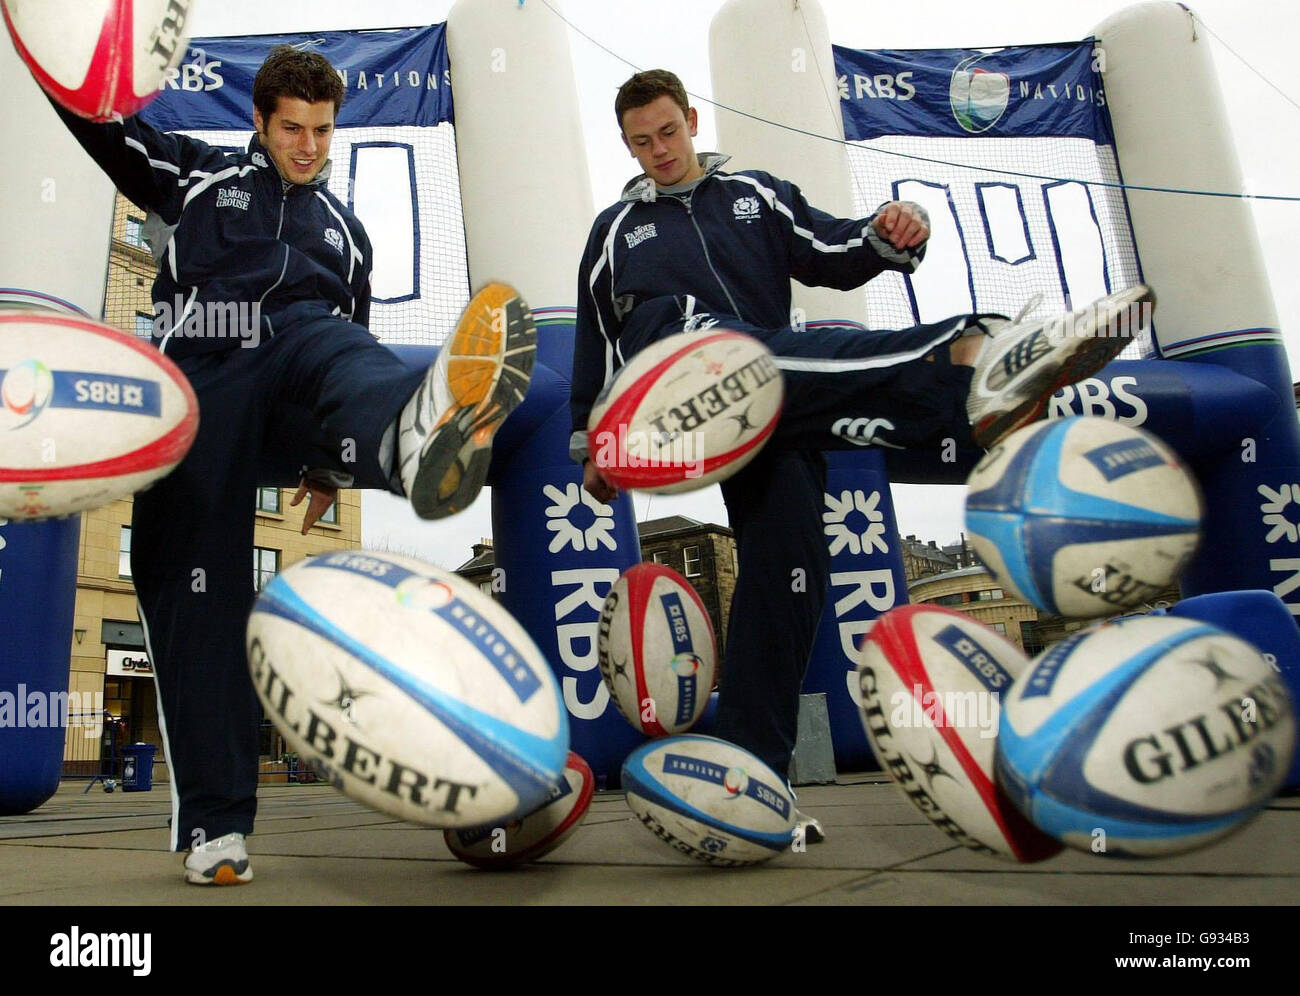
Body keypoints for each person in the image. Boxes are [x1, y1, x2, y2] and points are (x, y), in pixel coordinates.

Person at [570, 70, 1151, 841]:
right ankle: (969, 350)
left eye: (669, 133)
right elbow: (592, 345)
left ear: (692, 121)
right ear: (626, 144)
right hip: (681, 381)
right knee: (734, 346)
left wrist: (887, 232)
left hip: (781, 404)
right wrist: (595, 442)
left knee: (791, 573)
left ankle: (747, 781)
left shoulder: (757, 194)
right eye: (643, 142)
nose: (660, 152)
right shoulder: (616, 228)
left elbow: (832, 248)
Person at [45, 46, 535, 884]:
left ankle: (405, 435)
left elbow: (352, 357)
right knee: (199, 600)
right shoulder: (198, 178)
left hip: (307, 360)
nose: (309, 146)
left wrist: (329, 469)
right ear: (260, 123)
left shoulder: (348, 235)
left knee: (348, 351)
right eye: (293, 130)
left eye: (323, 130)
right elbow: (105, 128)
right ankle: (216, 827)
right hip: (203, 380)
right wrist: (55, 49)